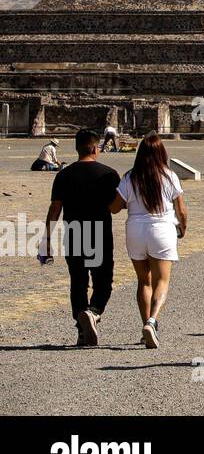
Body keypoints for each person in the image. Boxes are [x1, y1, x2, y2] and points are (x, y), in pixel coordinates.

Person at [40, 129, 121, 346]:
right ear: (96, 148)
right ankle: (93, 313)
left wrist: (46, 239)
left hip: (75, 233)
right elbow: (115, 208)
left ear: (76, 148)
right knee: (102, 281)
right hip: (99, 234)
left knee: (78, 282)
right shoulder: (109, 174)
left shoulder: (63, 175)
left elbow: (55, 209)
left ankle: (82, 328)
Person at [107, 133, 188, 349]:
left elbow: (114, 208)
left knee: (144, 280)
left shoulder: (130, 177)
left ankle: (145, 327)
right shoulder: (169, 176)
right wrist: (183, 227)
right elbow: (181, 209)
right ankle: (152, 321)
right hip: (161, 228)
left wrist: (127, 202)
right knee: (162, 281)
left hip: (135, 229)